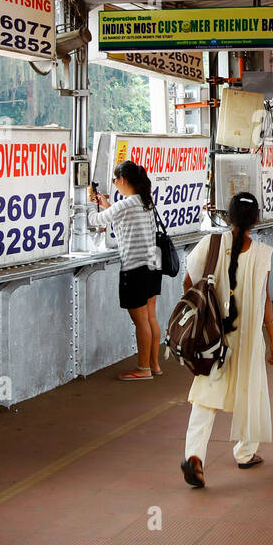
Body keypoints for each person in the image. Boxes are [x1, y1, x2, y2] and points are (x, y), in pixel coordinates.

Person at [181, 192, 273, 488]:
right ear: (257, 220)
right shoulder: (263, 254)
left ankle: (195, 456)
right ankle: (245, 452)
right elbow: (264, 300)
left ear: (227, 217)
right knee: (251, 391)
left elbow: (189, 284)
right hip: (248, 339)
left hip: (214, 337)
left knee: (205, 397)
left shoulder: (210, 245)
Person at [87, 160, 162, 380]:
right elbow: (122, 219)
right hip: (152, 264)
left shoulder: (126, 204)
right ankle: (154, 364)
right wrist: (107, 204)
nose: (114, 184)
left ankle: (143, 368)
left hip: (135, 267)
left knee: (140, 322)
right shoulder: (144, 201)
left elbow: (95, 220)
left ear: (122, 180)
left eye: (115, 180)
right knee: (151, 318)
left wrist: (91, 201)